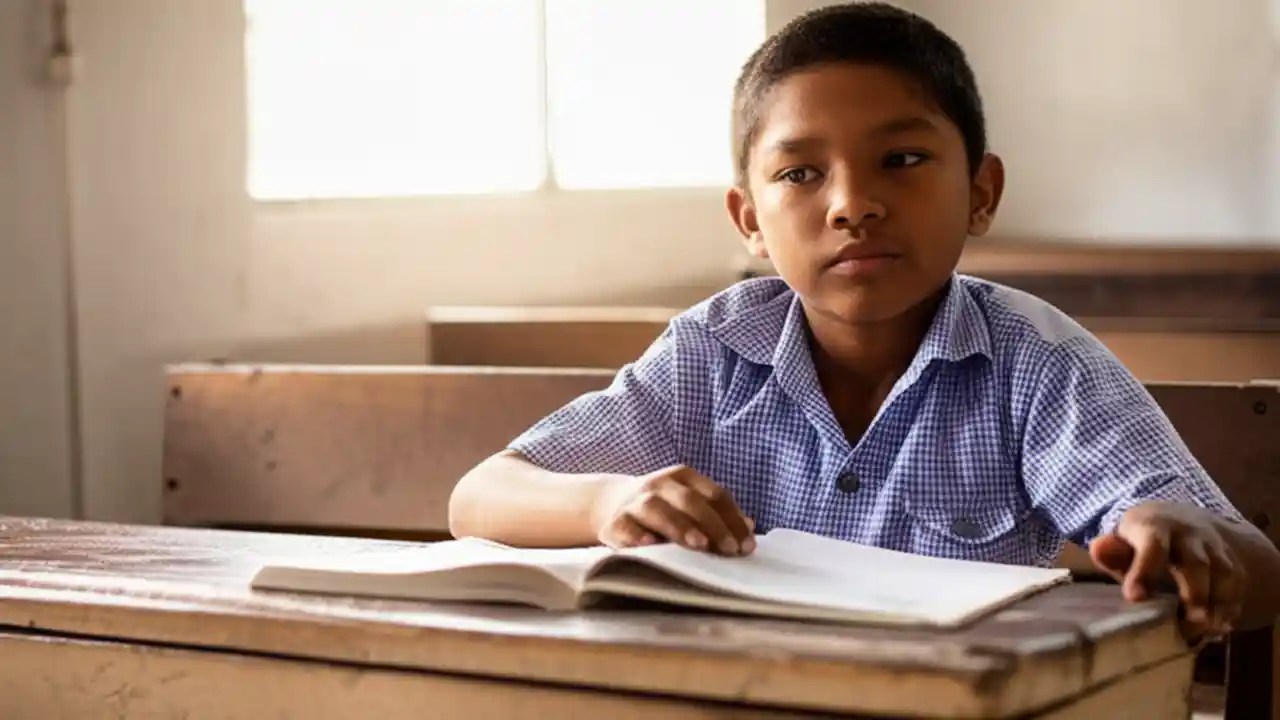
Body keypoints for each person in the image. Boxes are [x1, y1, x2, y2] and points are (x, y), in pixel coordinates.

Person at [449, 2, 1280, 639]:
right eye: (802, 172)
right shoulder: (710, 355)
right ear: (749, 221)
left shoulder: (1036, 366)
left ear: (981, 192)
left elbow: (1261, 572)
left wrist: (1174, 532)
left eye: (903, 160)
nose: (853, 205)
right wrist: (607, 501)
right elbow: (480, 497)